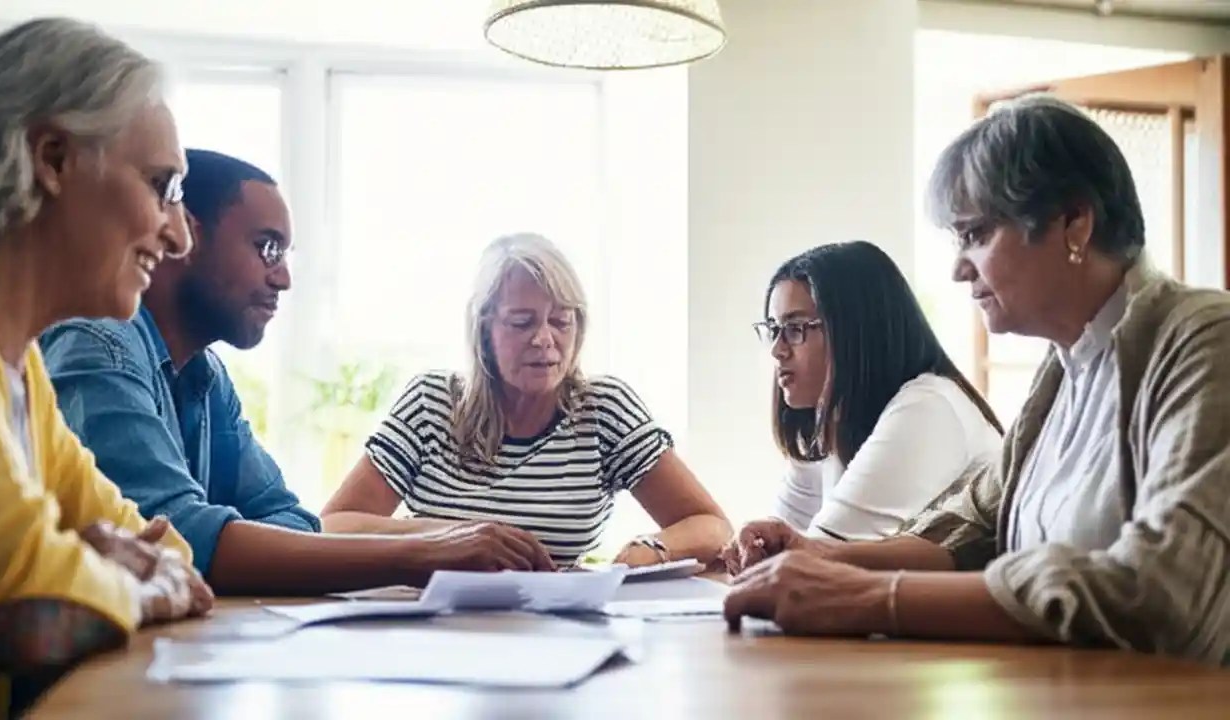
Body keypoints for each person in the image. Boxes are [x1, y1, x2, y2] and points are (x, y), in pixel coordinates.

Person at [721, 95, 1230, 664]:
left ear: (1074, 223)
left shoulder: (1205, 341)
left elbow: (1160, 591)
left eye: (976, 235)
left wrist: (874, 597)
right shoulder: (1066, 369)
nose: (959, 268)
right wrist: (818, 556)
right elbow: (977, 522)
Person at [42, 150, 556, 597]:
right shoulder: (98, 344)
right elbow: (174, 539)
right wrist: (418, 555)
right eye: (267, 247)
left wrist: (234, 543)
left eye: (287, 255)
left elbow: (286, 516)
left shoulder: (206, 376)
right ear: (184, 236)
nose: (284, 278)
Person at [0, 19, 214, 718]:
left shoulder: (20, 367)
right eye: (162, 185)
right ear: (54, 157)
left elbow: (173, 549)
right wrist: (123, 578)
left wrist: (87, 566)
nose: (181, 233)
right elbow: (25, 609)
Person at [322, 233, 732, 567]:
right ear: (484, 330)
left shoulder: (603, 410)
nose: (544, 340)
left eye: (560, 321)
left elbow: (712, 526)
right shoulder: (431, 404)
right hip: (436, 622)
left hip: (557, 628)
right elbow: (333, 526)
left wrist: (652, 549)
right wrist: (448, 536)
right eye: (522, 322)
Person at [721, 241, 1001, 555]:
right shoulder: (830, 420)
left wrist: (768, 557)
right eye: (774, 329)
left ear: (857, 331)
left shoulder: (928, 407)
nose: (777, 349)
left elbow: (816, 559)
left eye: (796, 328)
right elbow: (782, 546)